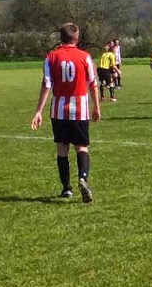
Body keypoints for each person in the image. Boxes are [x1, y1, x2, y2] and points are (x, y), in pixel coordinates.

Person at [30, 22, 100, 201]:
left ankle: (66, 188)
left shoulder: (51, 57)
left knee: (62, 149)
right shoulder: (85, 57)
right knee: (82, 147)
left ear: (60, 38)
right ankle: (83, 179)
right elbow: (93, 84)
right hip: (80, 108)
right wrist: (97, 107)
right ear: (76, 38)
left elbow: (46, 84)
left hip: (59, 110)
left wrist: (39, 111)